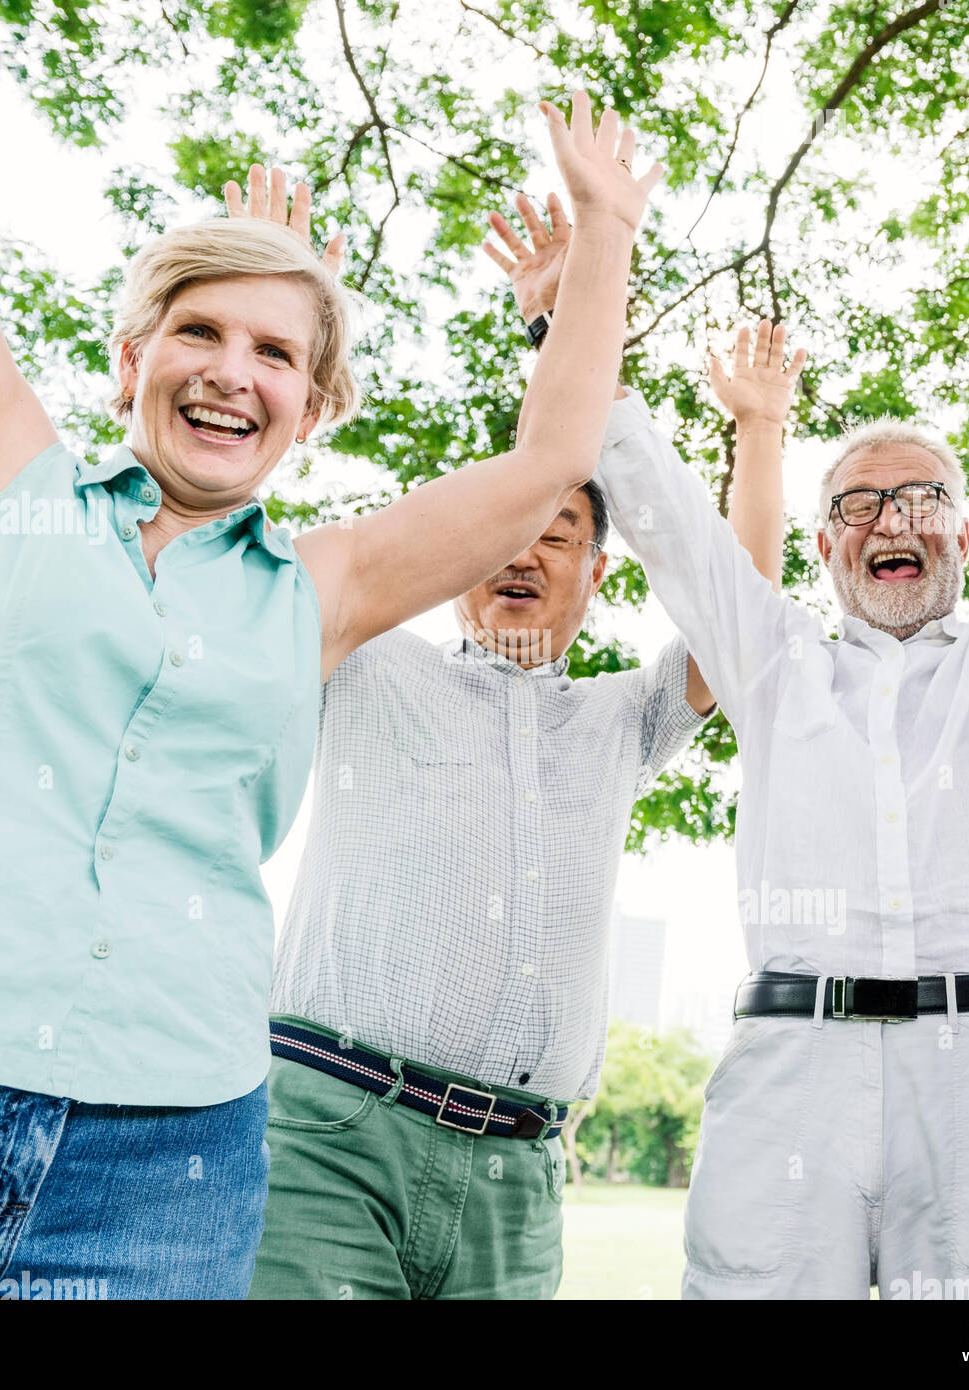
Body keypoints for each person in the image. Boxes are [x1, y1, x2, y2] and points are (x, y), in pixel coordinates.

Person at [0, 0, 660, 1298]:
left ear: (313, 405)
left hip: (169, 1149)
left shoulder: (324, 590)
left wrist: (606, 233)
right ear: (129, 362)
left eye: (276, 351)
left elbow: (551, 459)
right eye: (200, 333)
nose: (234, 371)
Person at [243, 179, 802, 1298]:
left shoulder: (621, 720)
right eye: (503, 528)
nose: (524, 551)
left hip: (517, 1175)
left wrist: (759, 431)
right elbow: (244, 532)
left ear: (598, 575)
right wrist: (279, 286)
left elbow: (741, 615)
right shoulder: (361, 655)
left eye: (558, 533)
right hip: (327, 1133)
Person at [591, 307, 969, 1299]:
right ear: (820, 544)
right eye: (860, 504)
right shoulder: (771, 660)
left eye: (922, 496)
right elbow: (662, 512)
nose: (892, 520)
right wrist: (569, 317)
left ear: (964, 532)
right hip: (793, 1074)